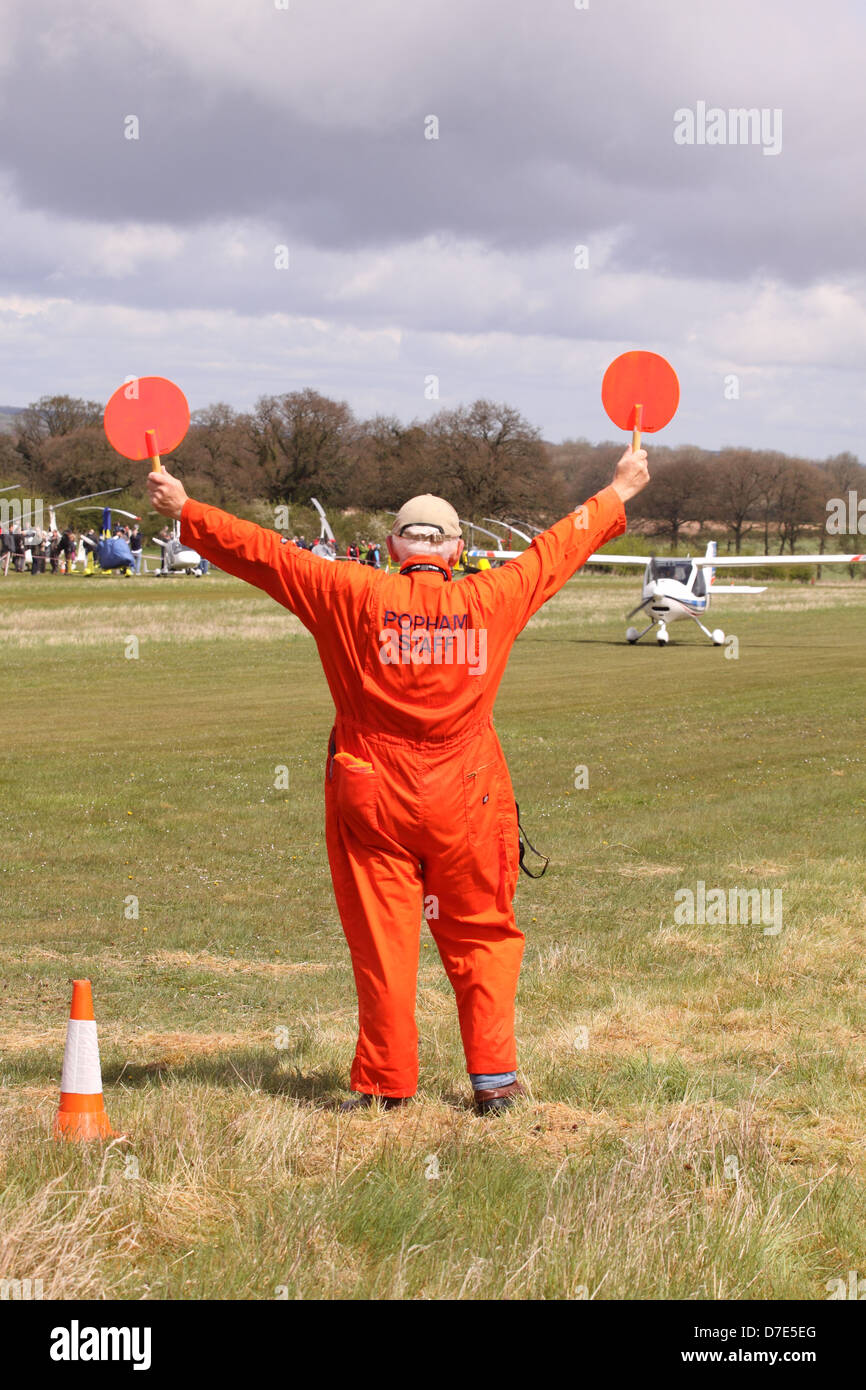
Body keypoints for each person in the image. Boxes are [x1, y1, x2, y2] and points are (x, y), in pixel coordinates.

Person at [147, 444, 649, 1115]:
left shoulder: (348, 591)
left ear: (391, 546)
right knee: (480, 934)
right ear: (458, 548)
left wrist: (187, 511)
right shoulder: (493, 595)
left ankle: (385, 1084)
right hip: (467, 792)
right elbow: (556, 550)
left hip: (371, 794)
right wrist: (618, 491)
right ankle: (495, 1081)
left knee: (383, 940)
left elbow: (267, 555)